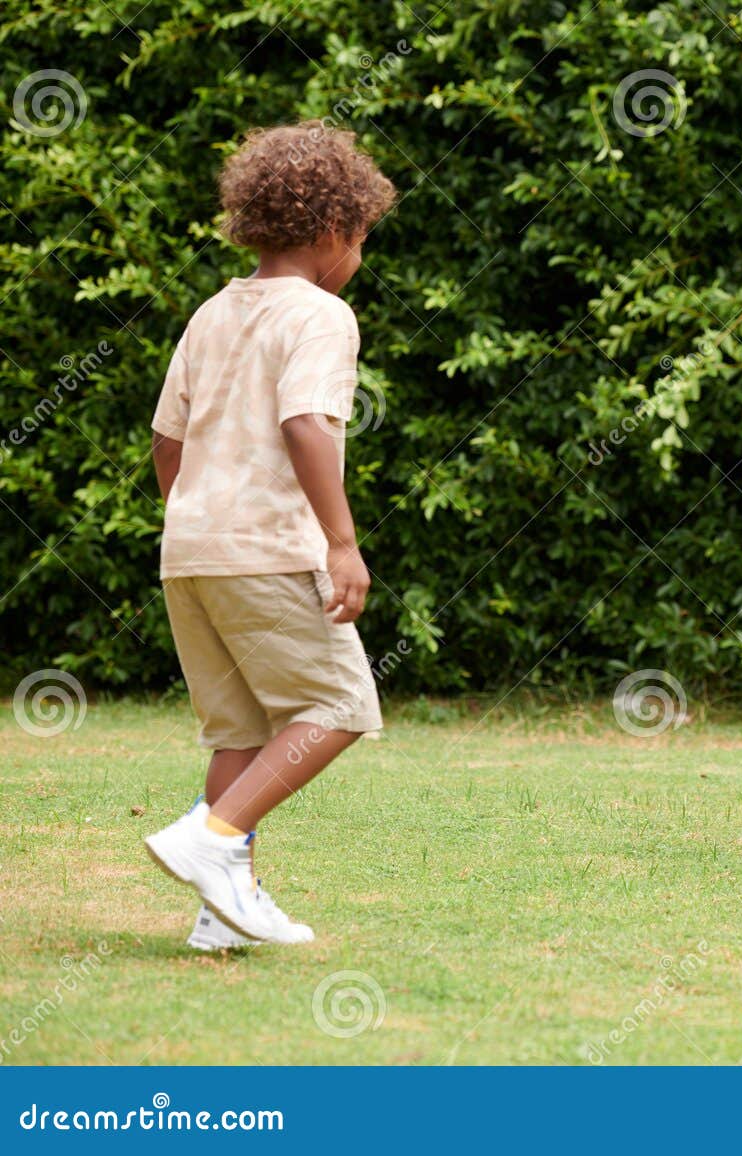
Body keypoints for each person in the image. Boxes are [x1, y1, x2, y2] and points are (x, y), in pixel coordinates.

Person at [143, 121, 395, 946]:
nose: (360, 255)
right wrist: (342, 542)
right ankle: (209, 839)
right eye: (361, 238)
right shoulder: (320, 314)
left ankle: (220, 914)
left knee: (243, 732)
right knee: (338, 705)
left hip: (191, 553)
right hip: (267, 552)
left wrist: (193, 518)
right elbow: (306, 425)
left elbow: (166, 441)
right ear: (332, 229)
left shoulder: (212, 313)